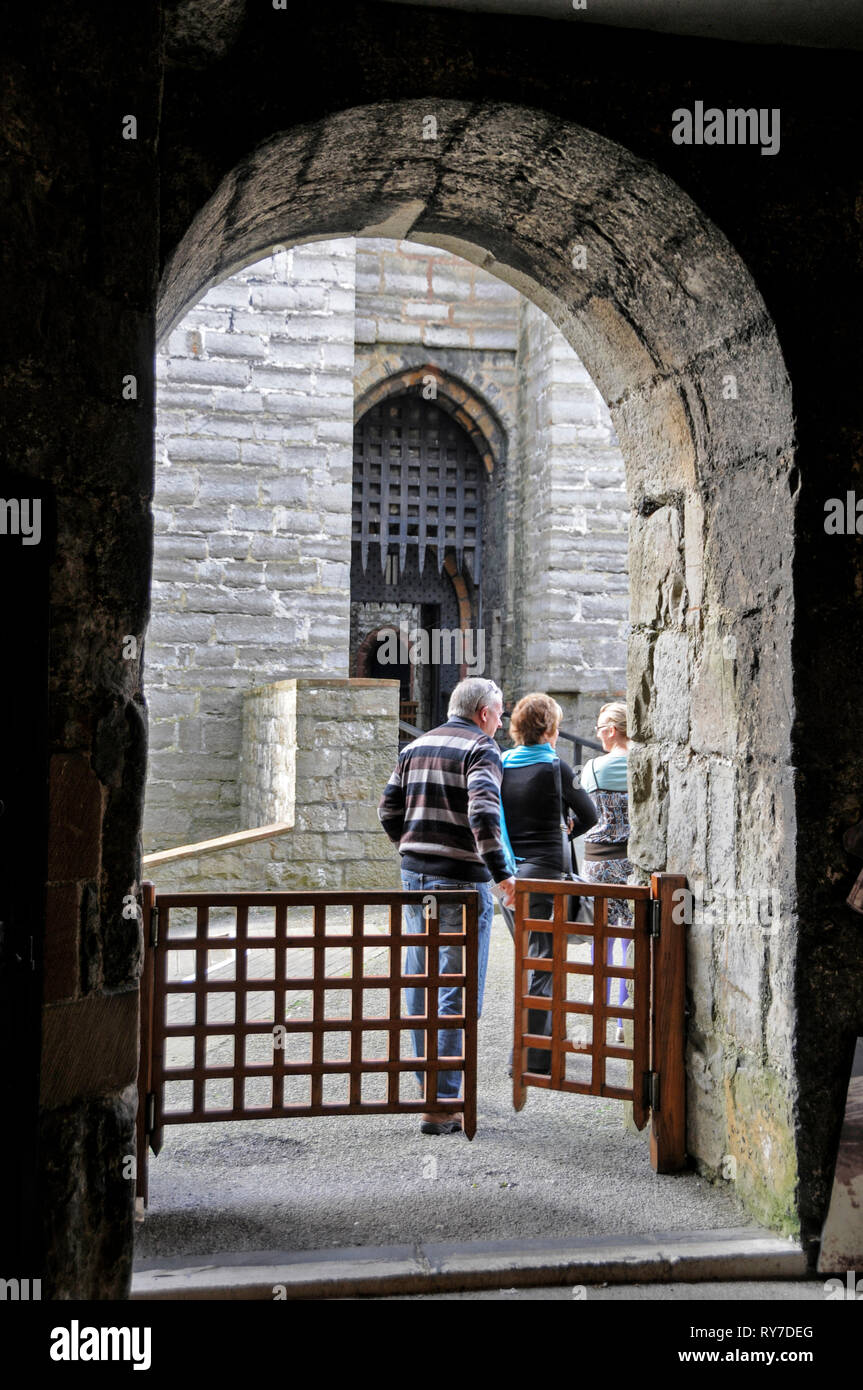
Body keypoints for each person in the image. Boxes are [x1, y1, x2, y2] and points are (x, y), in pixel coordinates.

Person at [378, 677, 516, 1135]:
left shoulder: (416, 746)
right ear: (483, 713)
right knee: (457, 989)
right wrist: (502, 875)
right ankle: (442, 1104)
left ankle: (432, 1090)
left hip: (415, 878)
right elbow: (483, 813)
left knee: (422, 984)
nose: (502, 721)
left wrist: (412, 846)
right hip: (459, 884)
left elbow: (387, 809)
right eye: (499, 713)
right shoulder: (481, 748)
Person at [499, 693, 597, 1075]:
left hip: (510, 876)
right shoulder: (556, 767)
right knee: (544, 963)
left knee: (530, 960)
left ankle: (535, 1048)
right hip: (545, 877)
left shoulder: (502, 763)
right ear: (552, 729)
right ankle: (530, 1057)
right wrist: (566, 827)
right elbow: (590, 816)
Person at [580, 701, 632, 1043]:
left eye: (600, 729)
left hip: (599, 862)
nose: (598, 735)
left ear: (612, 731)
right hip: (631, 861)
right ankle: (625, 1019)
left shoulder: (594, 768)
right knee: (632, 935)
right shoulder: (647, 764)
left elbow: (585, 811)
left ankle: (600, 1010)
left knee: (602, 937)